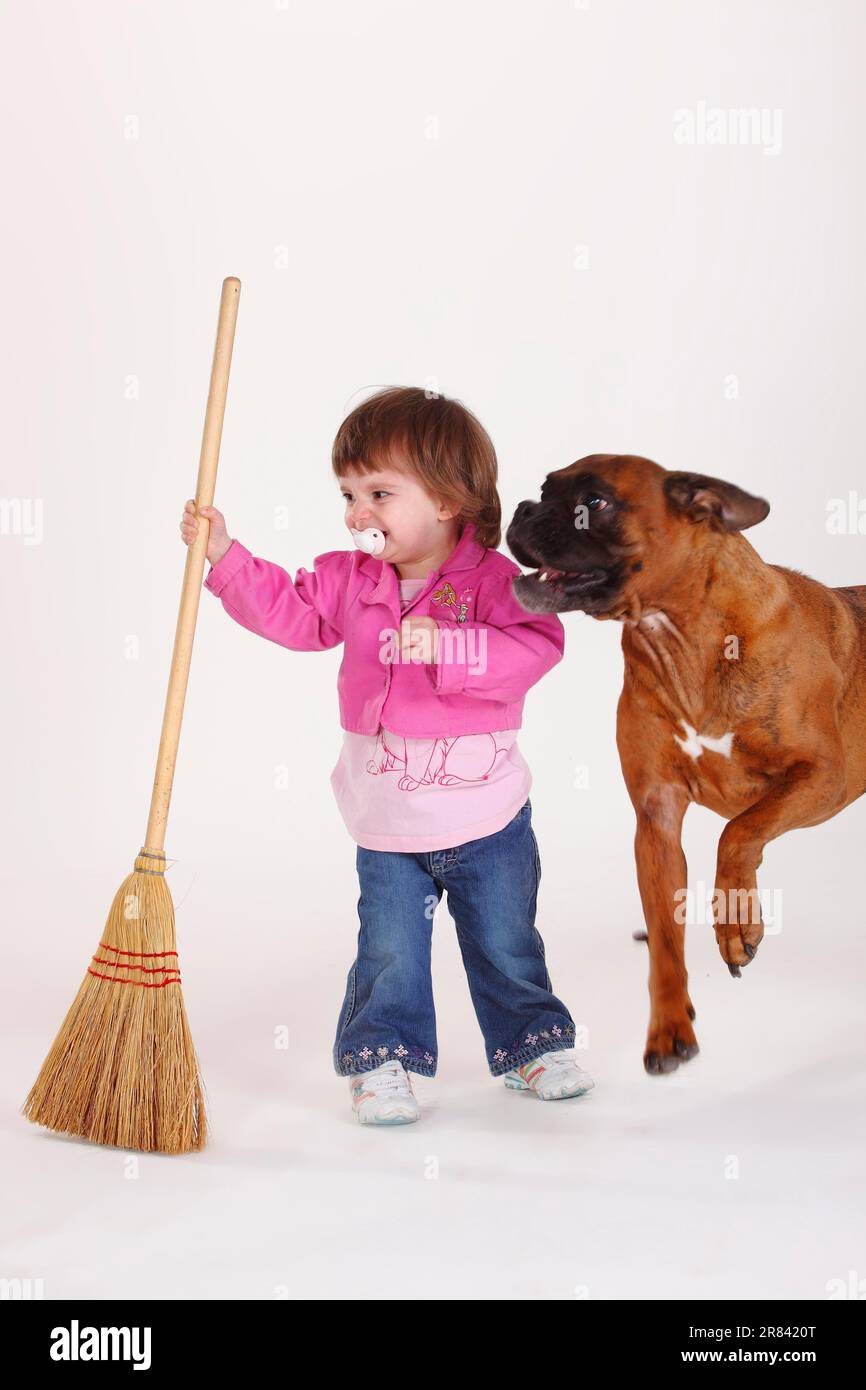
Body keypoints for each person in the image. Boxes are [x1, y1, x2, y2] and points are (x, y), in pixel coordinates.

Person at [180, 385, 594, 1125]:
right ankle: (382, 1059)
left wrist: (453, 645)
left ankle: (532, 1042)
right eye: (348, 493)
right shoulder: (349, 579)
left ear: (446, 500)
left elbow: (538, 647)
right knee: (390, 950)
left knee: (504, 940)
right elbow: (293, 611)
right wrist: (226, 557)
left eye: (377, 492)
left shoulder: (495, 583)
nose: (355, 513)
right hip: (388, 821)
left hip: (487, 817)